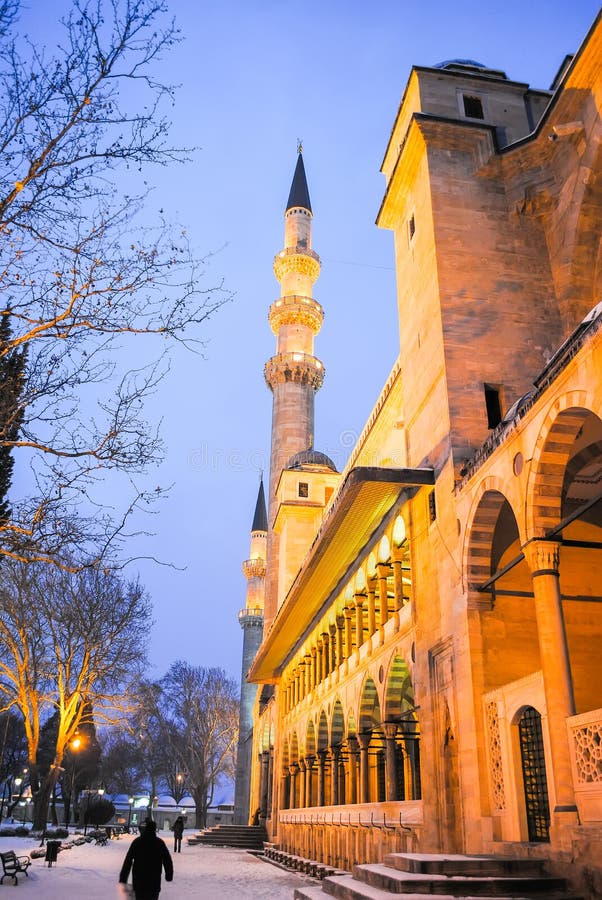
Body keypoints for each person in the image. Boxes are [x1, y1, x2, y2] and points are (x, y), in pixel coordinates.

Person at [119, 818, 173, 900]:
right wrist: (169, 874)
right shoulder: (159, 843)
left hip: (139, 879)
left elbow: (128, 860)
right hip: (154, 880)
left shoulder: (137, 842)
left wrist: (123, 876)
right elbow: (167, 860)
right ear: (154, 830)